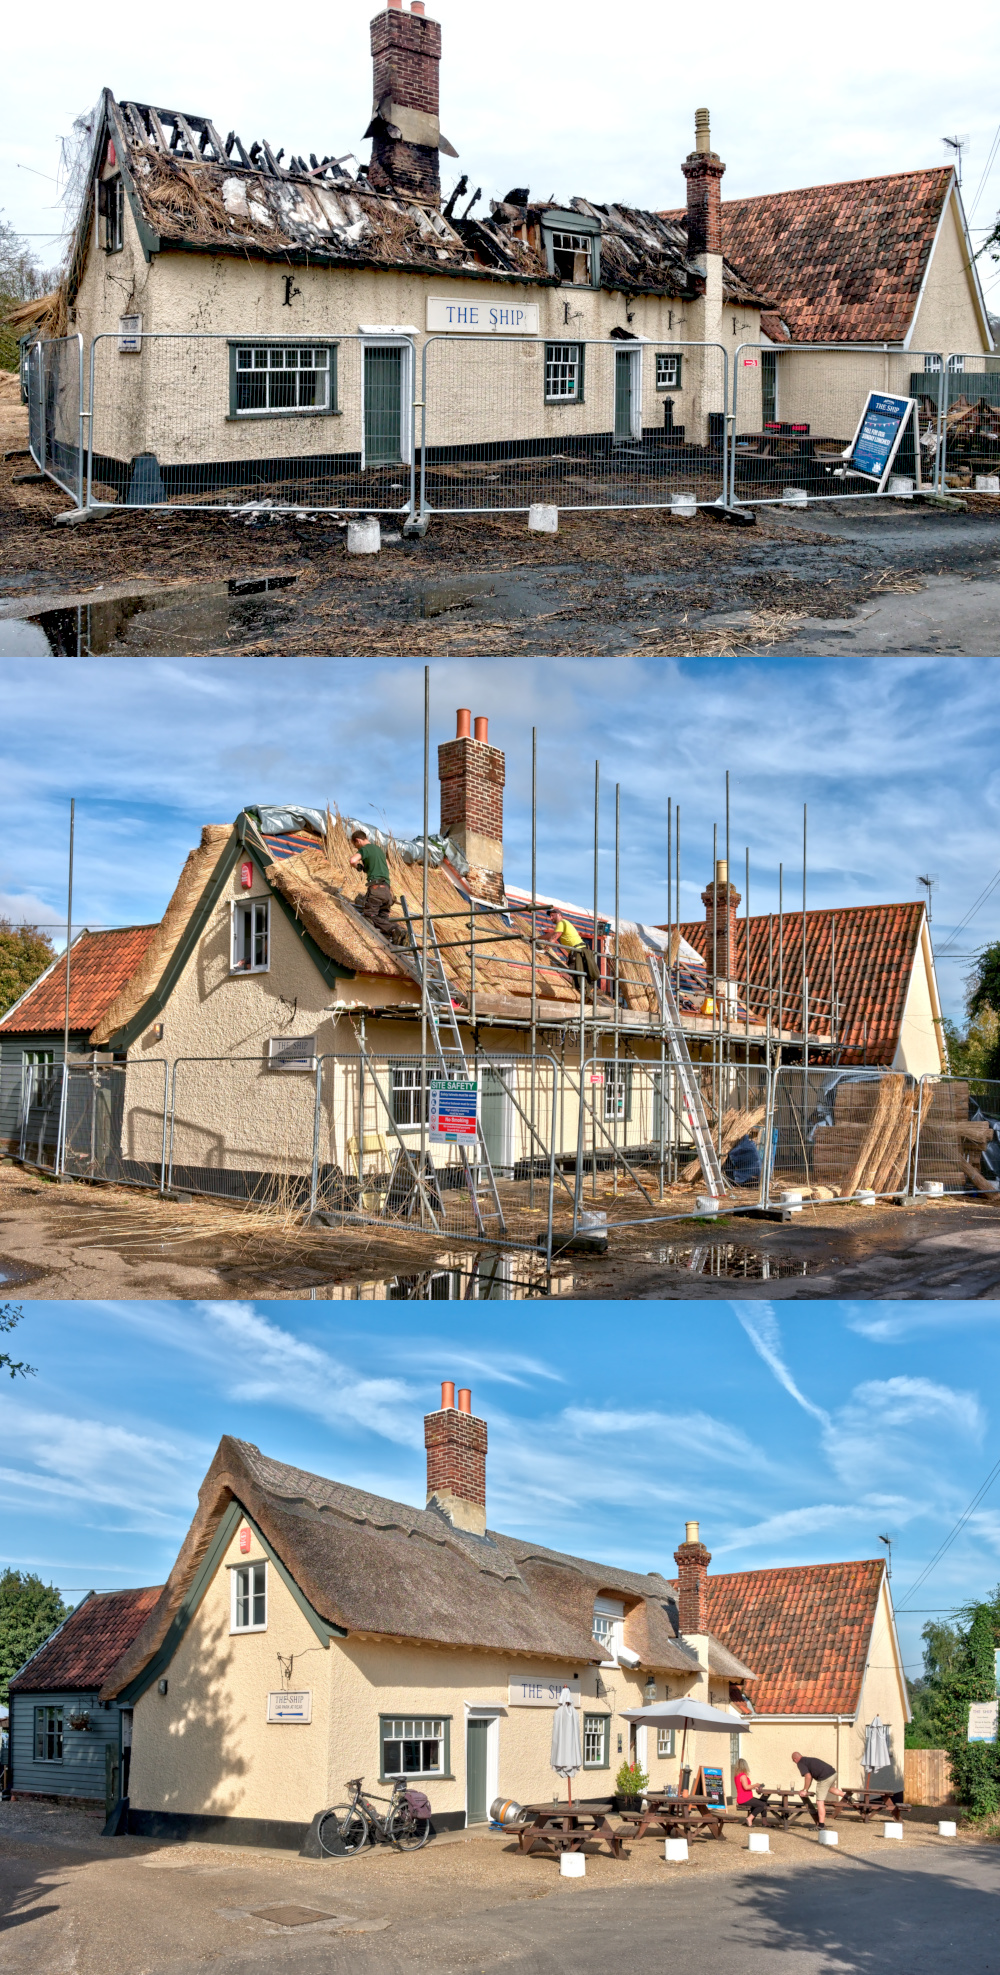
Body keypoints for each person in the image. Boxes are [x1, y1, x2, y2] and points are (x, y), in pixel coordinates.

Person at [348, 828, 402, 942]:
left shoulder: (365, 849)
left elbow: (352, 860)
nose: (356, 848)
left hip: (376, 889)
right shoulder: (379, 850)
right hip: (387, 891)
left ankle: (395, 929)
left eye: (355, 845)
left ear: (358, 840)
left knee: (369, 915)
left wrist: (358, 867)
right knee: (382, 919)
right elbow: (388, 866)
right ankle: (398, 936)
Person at [540, 908, 599, 987]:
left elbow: (554, 937)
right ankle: (591, 988)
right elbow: (551, 935)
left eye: (552, 915)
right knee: (581, 974)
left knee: (573, 975)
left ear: (559, 915)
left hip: (577, 952)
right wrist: (537, 938)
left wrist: (544, 950)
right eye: (550, 916)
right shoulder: (565, 923)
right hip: (581, 950)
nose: (551, 918)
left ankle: (587, 989)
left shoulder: (561, 923)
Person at [791, 1750, 839, 1827]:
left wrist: (805, 1790)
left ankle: (821, 1825)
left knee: (819, 1802)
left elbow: (808, 1776)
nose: (794, 1762)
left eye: (793, 1761)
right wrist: (806, 1789)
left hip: (824, 1777)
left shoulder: (800, 1763)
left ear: (795, 1759)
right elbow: (810, 1777)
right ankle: (847, 1796)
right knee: (830, 1788)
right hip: (833, 1773)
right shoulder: (808, 1760)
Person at [734, 1758, 769, 1826]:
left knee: (763, 1802)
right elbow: (746, 1787)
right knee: (763, 1805)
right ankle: (749, 1819)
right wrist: (755, 1785)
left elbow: (743, 1787)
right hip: (745, 1798)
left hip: (744, 1798)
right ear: (745, 1766)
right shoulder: (743, 1776)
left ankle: (764, 1822)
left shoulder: (737, 1776)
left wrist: (754, 1787)